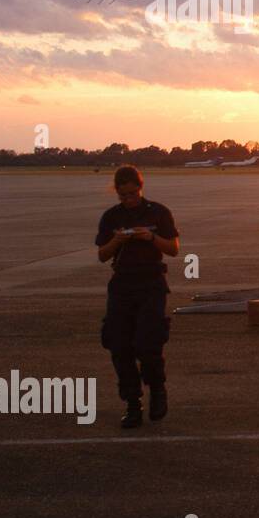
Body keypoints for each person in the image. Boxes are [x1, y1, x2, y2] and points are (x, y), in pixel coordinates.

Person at [95, 165, 181, 428]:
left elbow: (174, 249)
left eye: (133, 193)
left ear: (140, 188)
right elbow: (102, 254)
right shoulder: (111, 217)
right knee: (119, 346)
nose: (129, 199)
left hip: (151, 283)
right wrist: (118, 241)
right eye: (123, 196)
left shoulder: (158, 212)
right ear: (117, 193)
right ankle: (132, 403)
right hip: (122, 285)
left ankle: (157, 390)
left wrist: (151, 237)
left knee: (148, 344)